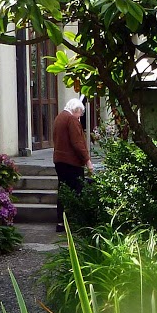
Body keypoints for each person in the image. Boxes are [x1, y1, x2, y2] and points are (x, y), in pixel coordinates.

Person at [52, 98, 91, 231]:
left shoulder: (59, 118)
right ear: (76, 110)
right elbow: (77, 143)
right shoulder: (71, 119)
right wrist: (87, 160)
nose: (80, 117)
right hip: (72, 162)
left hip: (59, 160)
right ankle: (75, 222)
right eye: (80, 113)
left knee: (63, 190)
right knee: (77, 190)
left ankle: (60, 222)